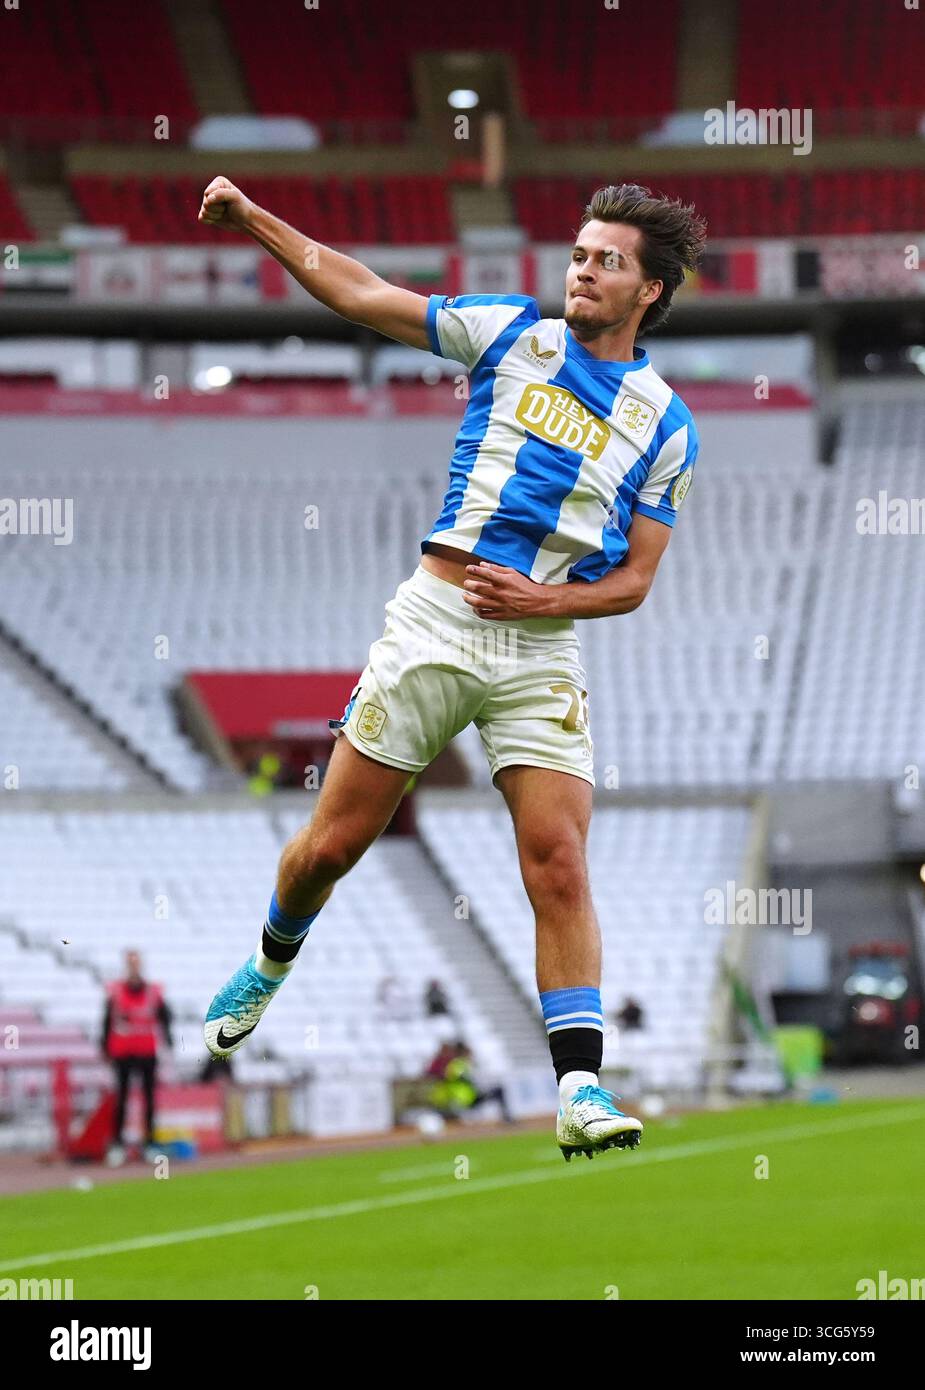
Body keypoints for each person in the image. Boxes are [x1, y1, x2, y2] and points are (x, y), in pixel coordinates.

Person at [199, 176, 705, 1161]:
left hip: (539, 644)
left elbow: (637, 580)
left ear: (648, 290)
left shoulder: (666, 424)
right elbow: (359, 293)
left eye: (606, 261)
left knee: (557, 862)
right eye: (579, 254)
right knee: (330, 849)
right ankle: (267, 961)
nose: (582, 271)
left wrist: (544, 602)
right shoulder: (511, 334)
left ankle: (580, 1087)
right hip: (434, 620)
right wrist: (257, 220)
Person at [101, 950, 172, 1165]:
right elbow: (106, 1021)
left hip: (147, 1051)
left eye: (136, 963)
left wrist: (168, 1041)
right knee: (121, 1098)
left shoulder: (152, 992)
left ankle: (149, 1143)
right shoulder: (115, 992)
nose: (133, 967)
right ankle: (117, 1145)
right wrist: (105, 1047)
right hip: (122, 1052)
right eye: (130, 963)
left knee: (149, 1099)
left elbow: (165, 1017)